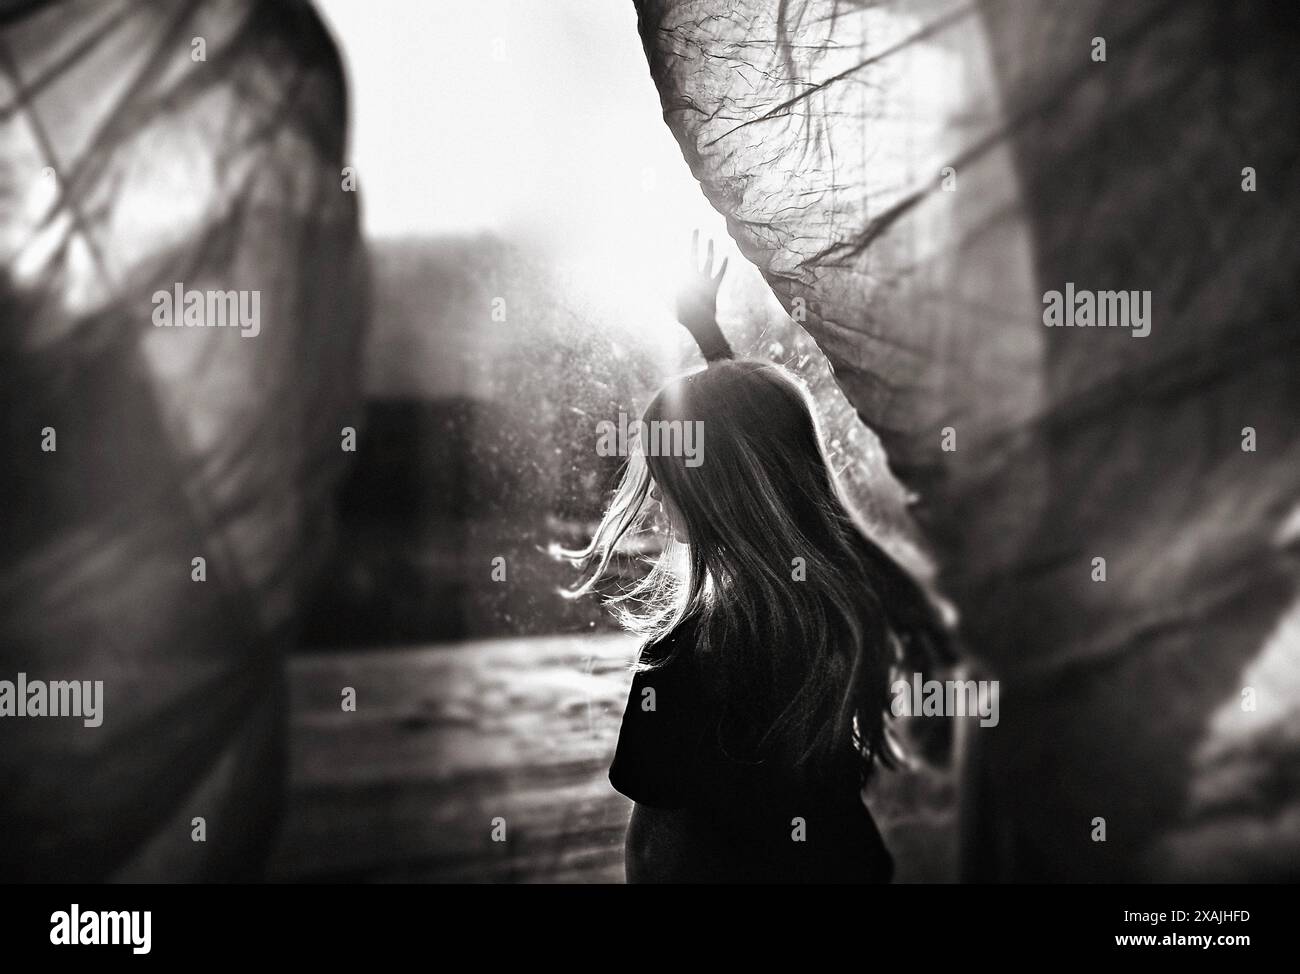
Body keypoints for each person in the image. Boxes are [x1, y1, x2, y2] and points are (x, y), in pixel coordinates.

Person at [564, 233, 952, 882]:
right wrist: (709, 339)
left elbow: (653, 851)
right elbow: (774, 455)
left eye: (668, 482)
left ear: (713, 493)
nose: (658, 500)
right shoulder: (843, 607)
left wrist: (710, 343)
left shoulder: (682, 658)